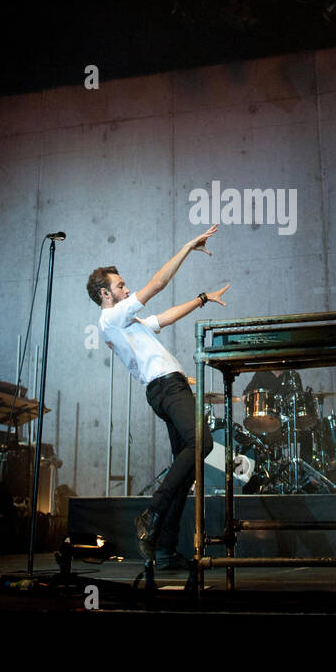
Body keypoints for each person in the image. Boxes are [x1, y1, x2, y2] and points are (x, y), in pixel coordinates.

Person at [88, 224, 230, 570]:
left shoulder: (127, 321)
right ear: (105, 294)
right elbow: (157, 284)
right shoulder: (110, 318)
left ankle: (164, 548)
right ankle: (152, 511)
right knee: (203, 444)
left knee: (189, 463)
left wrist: (201, 299)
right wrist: (186, 246)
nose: (126, 287)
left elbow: (162, 318)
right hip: (166, 387)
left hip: (169, 385)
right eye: (120, 285)